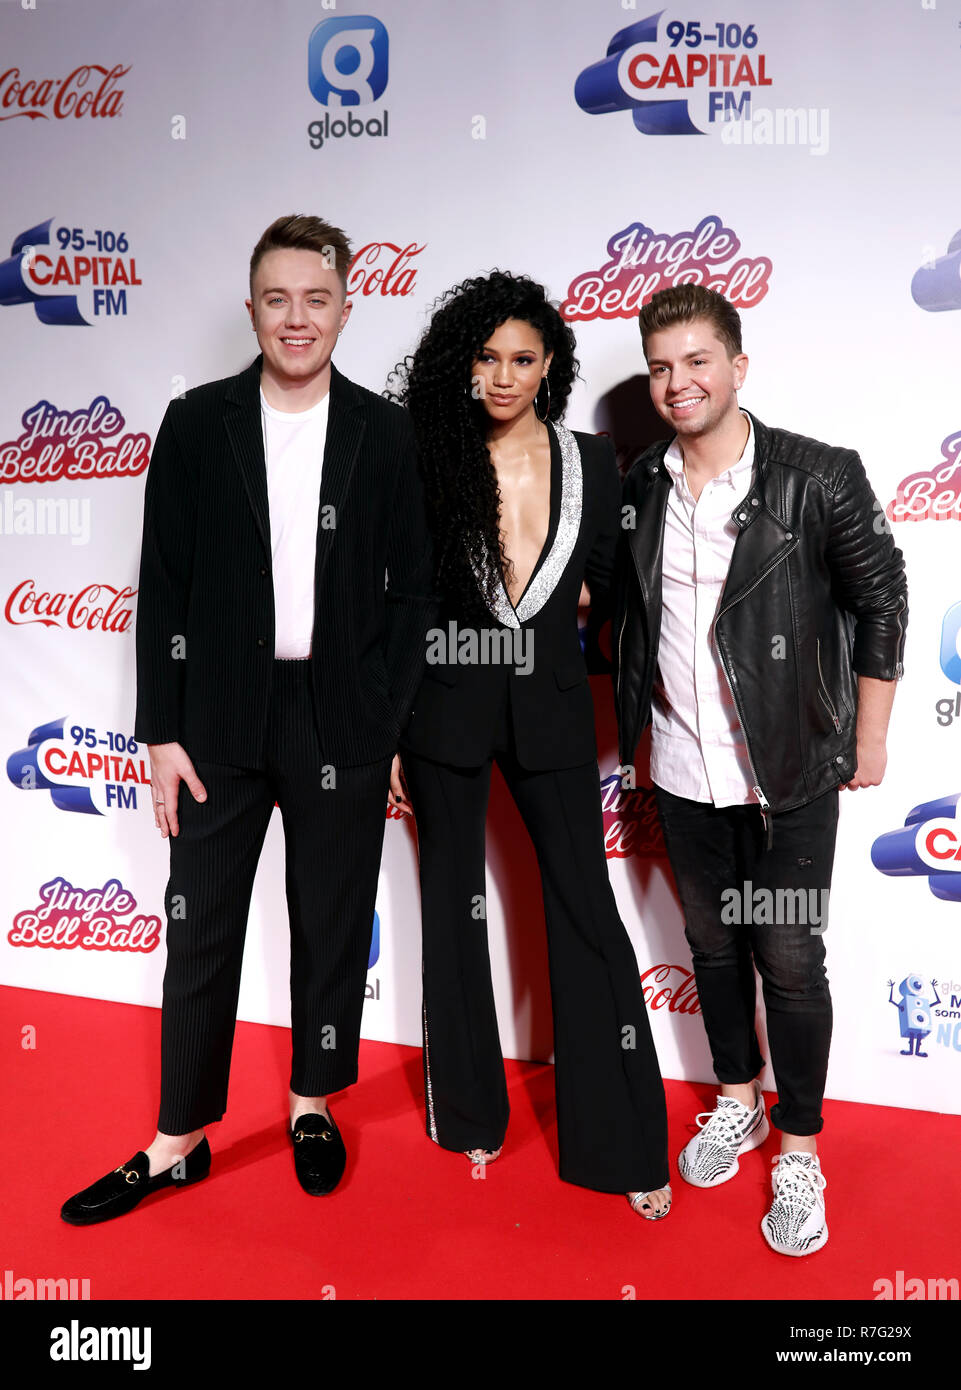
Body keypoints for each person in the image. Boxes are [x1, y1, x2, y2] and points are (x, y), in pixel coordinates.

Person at [61, 214, 434, 1223]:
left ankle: (312, 1101)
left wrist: (386, 718)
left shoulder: (387, 432)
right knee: (200, 931)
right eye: (278, 299)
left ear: (347, 306)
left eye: (316, 298)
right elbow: (164, 583)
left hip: (339, 719)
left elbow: (412, 595)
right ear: (252, 307)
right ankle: (177, 1135)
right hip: (219, 721)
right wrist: (160, 731)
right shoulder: (196, 422)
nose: (297, 317)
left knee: (326, 925)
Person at [613, 284, 908, 1254]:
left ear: (739, 366)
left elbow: (882, 604)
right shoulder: (641, 487)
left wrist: (865, 739)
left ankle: (799, 1146)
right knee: (710, 947)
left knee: (786, 959)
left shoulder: (814, 478)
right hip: (683, 771)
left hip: (789, 776)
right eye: (661, 366)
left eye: (697, 360)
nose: (677, 382)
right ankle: (735, 1097)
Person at [388, 271, 671, 1219]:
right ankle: (467, 1115)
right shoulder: (426, 457)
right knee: (452, 908)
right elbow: (402, 602)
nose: (502, 376)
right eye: (485, 356)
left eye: (521, 358)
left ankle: (622, 1143)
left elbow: (608, 588)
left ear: (550, 365)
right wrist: (391, 726)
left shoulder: (594, 460)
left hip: (551, 712)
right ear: (459, 362)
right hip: (443, 713)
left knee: (583, 909)